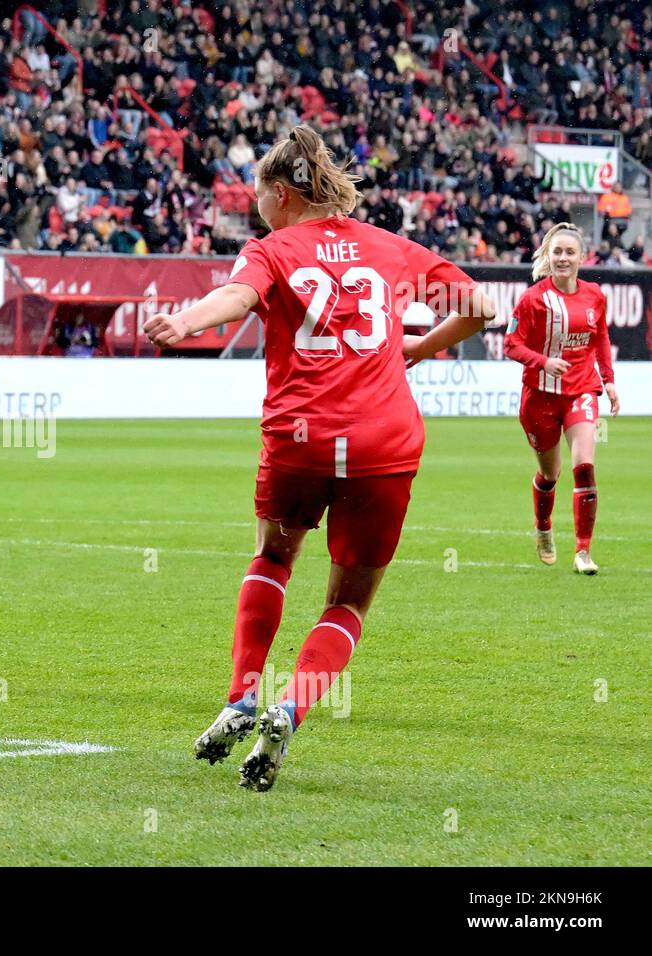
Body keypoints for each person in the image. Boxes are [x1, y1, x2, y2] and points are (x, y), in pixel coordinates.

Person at [144, 125, 496, 792]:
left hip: (301, 436)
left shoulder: (273, 248)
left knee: (274, 557)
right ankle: (290, 708)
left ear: (281, 194)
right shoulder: (391, 247)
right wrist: (418, 347)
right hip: (383, 442)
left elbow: (237, 299)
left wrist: (186, 323)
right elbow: (480, 307)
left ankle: (244, 694)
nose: (256, 209)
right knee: (347, 603)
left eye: (257, 197)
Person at [504, 223, 620, 573]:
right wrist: (543, 361)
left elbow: (600, 337)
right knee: (550, 475)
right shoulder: (532, 300)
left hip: (581, 389)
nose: (563, 258)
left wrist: (609, 381)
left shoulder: (595, 295)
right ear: (548, 255)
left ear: (582, 258)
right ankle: (543, 527)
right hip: (539, 397)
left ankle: (583, 552)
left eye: (570, 252)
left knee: (584, 466)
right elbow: (511, 344)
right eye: (557, 252)